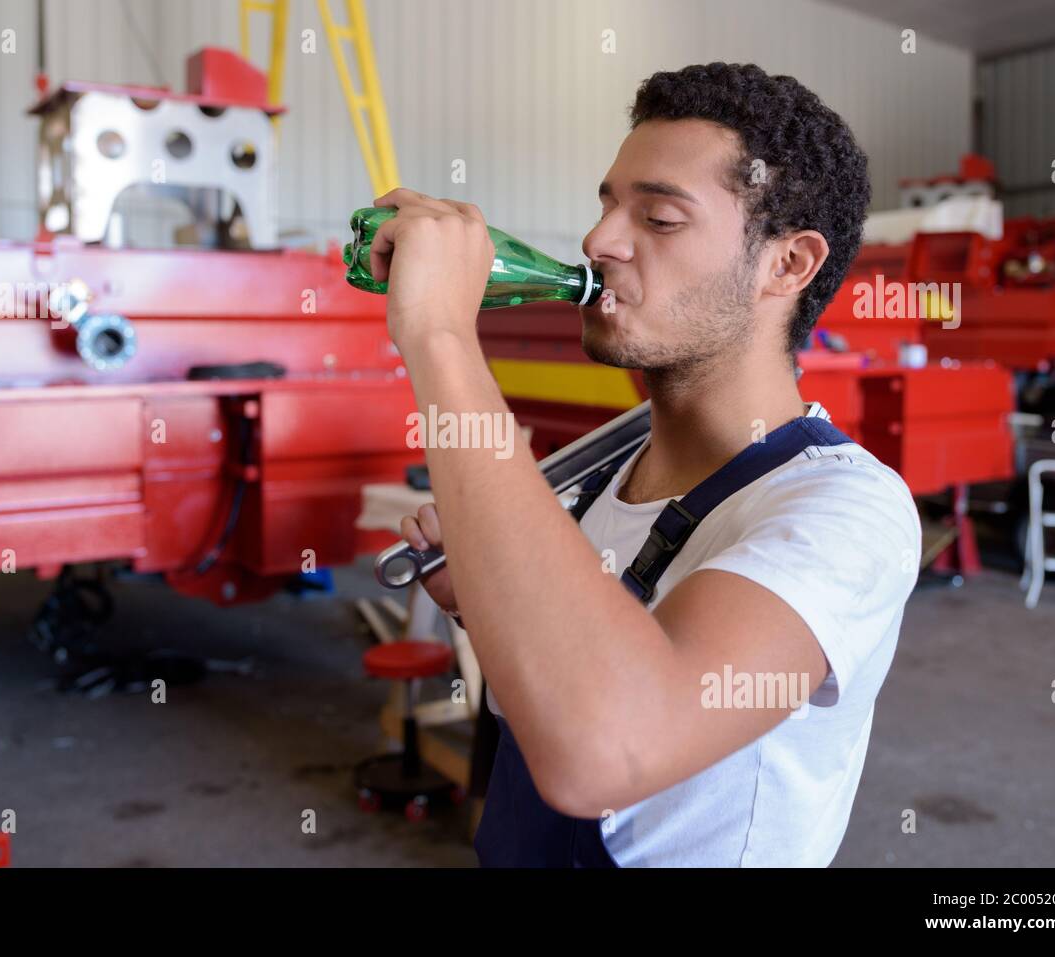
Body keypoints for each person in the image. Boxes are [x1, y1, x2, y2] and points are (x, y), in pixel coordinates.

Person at [372, 62, 920, 867]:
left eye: (659, 218)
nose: (599, 241)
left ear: (788, 265)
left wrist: (443, 339)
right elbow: (563, 687)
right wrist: (480, 601)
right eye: (607, 203)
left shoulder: (845, 513)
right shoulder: (604, 467)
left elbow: (606, 749)